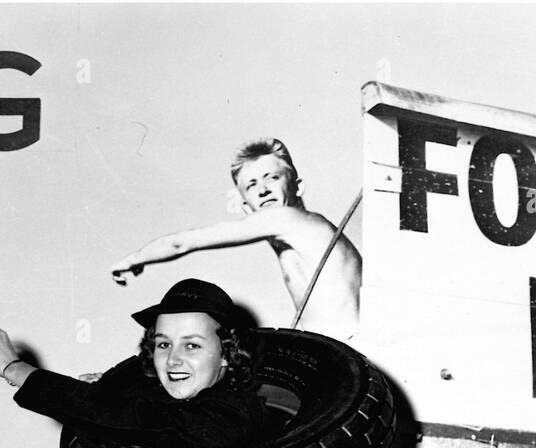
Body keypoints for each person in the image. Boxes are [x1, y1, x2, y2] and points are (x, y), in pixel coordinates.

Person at [0, 279, 281, 448]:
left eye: (192, 345)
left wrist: (14, 368)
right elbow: (113, 399)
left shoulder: (237, 413)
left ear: (227, 353)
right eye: (163, 344)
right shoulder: (154, 391)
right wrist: (107, 390)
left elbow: (137, 420)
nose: (173, 359)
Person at [109, 139, 362, 338]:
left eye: (272, 178)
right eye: (251, 185)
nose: (263, 189)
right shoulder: (301, 232)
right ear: (246, 208)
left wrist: (136, 258)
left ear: (298, 186)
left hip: (352, 349)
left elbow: (182, 242)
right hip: (342, 346)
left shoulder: (286, 218)